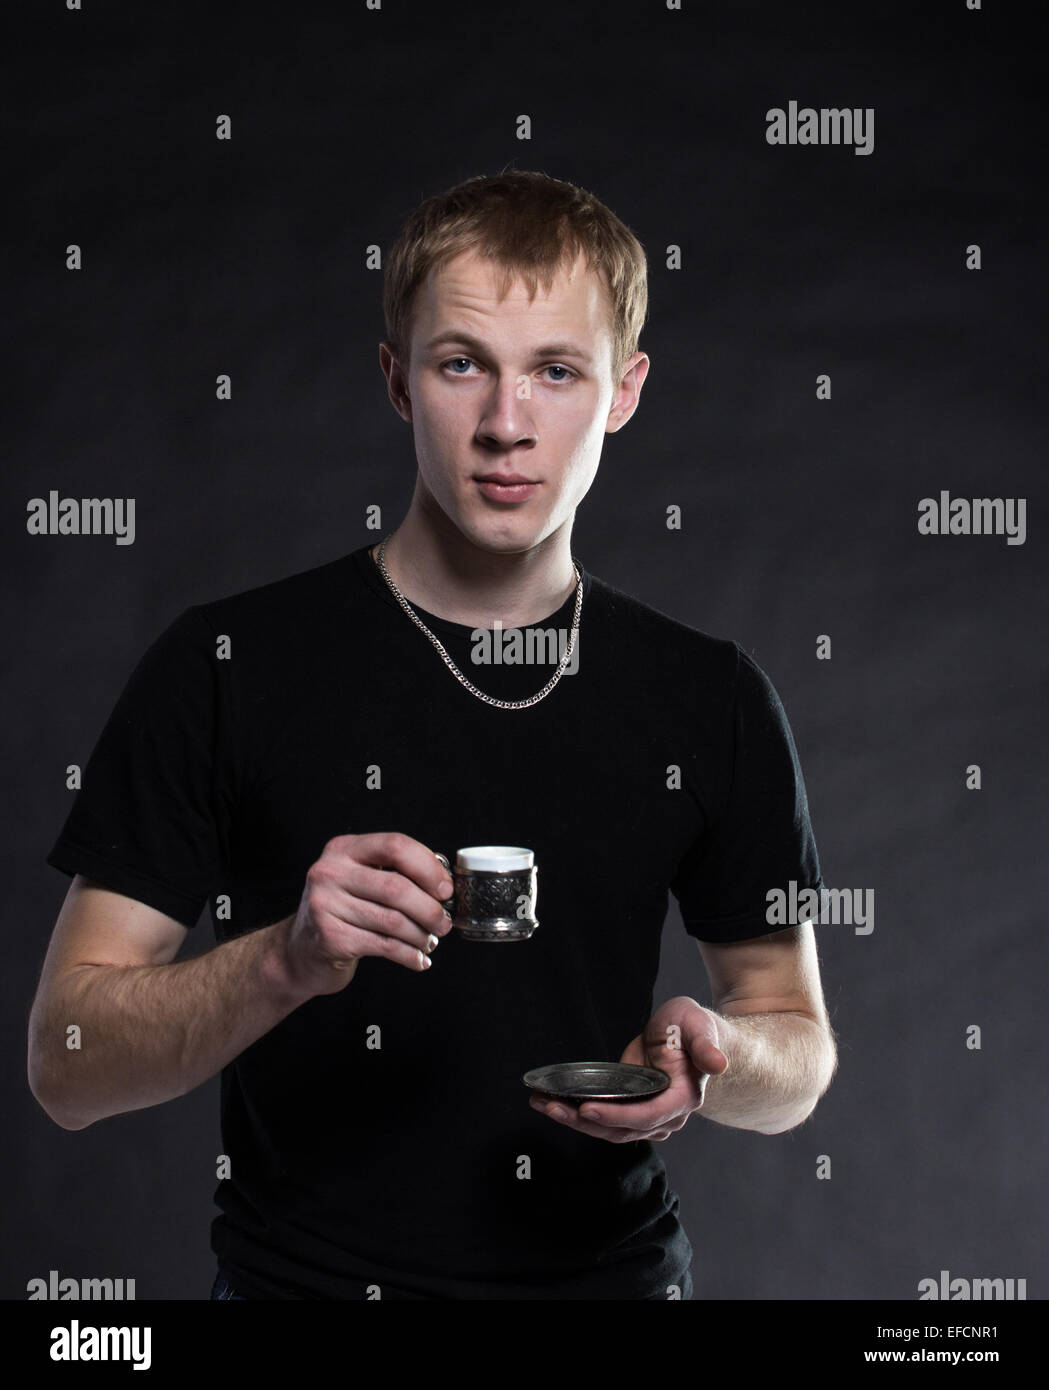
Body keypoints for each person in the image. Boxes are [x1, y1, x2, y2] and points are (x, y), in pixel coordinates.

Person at [29, 169, 837, 1300]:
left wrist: (713, 1060)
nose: (506, 426)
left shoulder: (711, 696)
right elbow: (64, 1065)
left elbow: (793, 1044)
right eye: (461, 363)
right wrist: (282, 960)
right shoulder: (226, 664)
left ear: (623, 391)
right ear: (397, 382)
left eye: (555, 372)